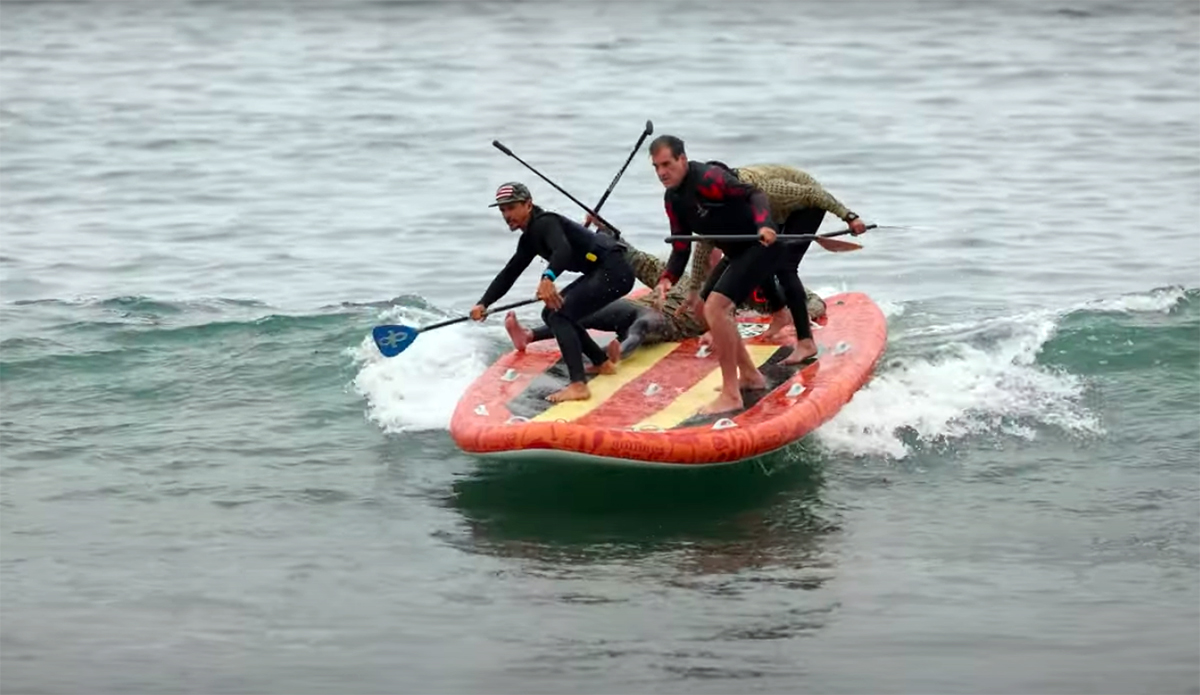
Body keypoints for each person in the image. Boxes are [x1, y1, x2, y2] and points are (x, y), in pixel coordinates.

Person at [503, 240, 826, 359]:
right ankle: (529, 336)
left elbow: (808, 301)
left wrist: (806, 312)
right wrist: (609, 242)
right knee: (580, 309)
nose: (709, 258)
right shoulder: (681, 276)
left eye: (715, 254)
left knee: (642, 325)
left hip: (671, 325)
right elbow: (640, 261)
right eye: (707, 253)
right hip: (643, 307)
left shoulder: (740, 293)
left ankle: (615, 355)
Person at [650, 134, 783, 416]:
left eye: (667, 164)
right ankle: (749, 376)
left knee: (716, 307)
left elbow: (754, 194)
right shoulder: (673, 198)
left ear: (682, 160)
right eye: (656, 167)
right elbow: (681, 245)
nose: (662, 173)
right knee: (707, 305)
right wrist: (666, 279)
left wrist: (764, 224)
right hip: (738, 254)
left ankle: (731, 393)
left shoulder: (708, 178)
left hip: (760, 245)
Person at [469, 182, 634, 403]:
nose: (507, 215)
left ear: (528, 204)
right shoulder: (528, 239)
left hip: (614, 271)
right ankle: (601, 362)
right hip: (605, 272)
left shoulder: (546, 223)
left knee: (559, 314)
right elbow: (510, 272)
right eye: (503, 210)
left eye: (511, 207)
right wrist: (484, 303)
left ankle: (578, 385)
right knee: (551, 313)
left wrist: (548, 277)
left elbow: (562, 251)